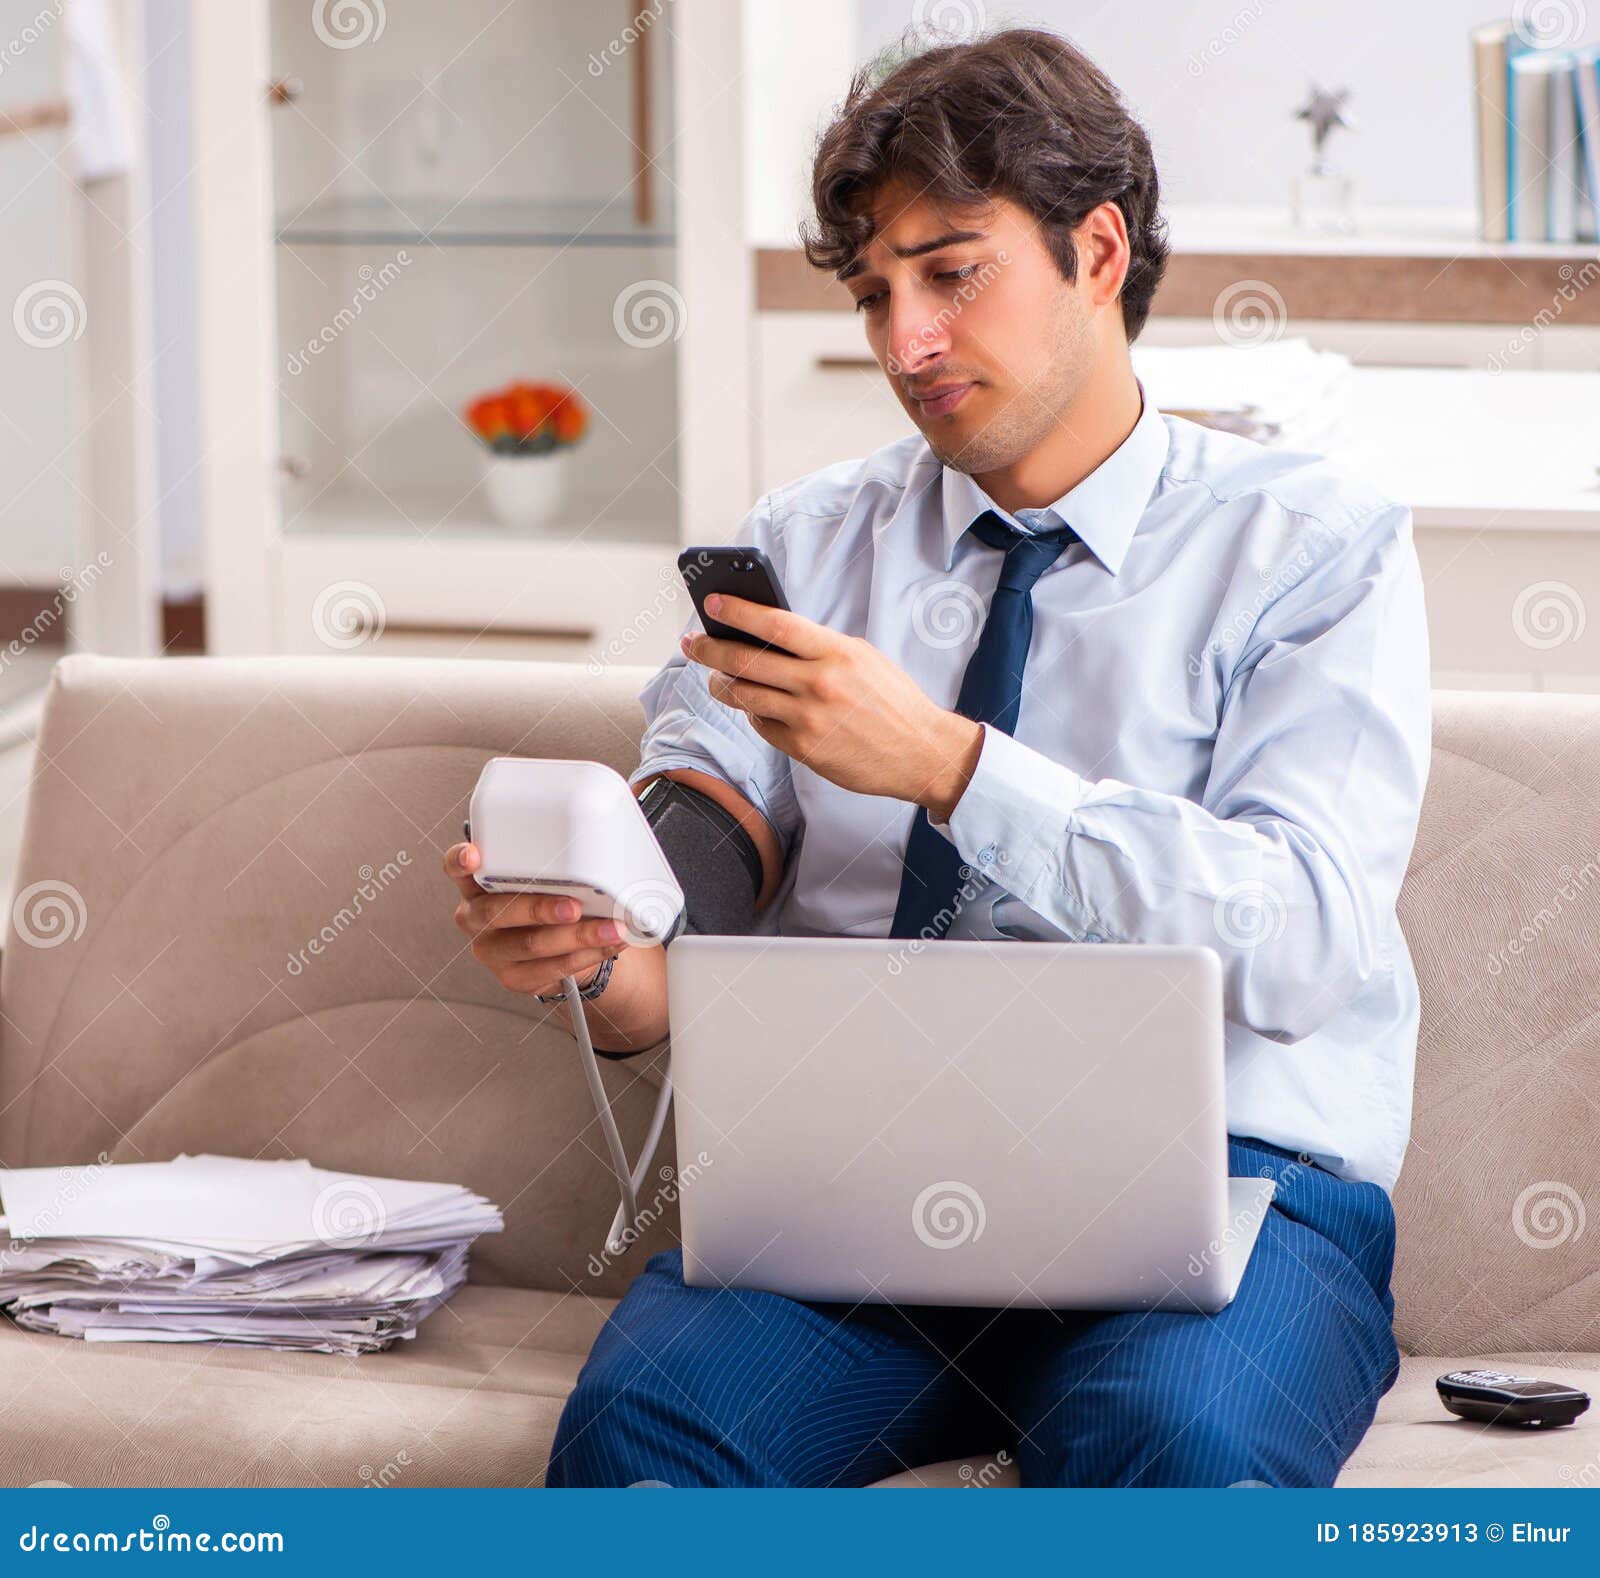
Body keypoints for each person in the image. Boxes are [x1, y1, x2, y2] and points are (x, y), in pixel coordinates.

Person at [444, 26, 1429, 1488]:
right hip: (859, 1186)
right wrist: (594, 952)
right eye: (872, 292)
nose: (904, 342)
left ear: (1099, 253)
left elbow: (1302, 940)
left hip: (1229, 1189)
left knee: (1178, 1446)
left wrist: (951, 766)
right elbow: (697, 861)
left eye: (952, 273)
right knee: (644, 1434)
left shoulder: (1311, 548)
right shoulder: (807, 545)